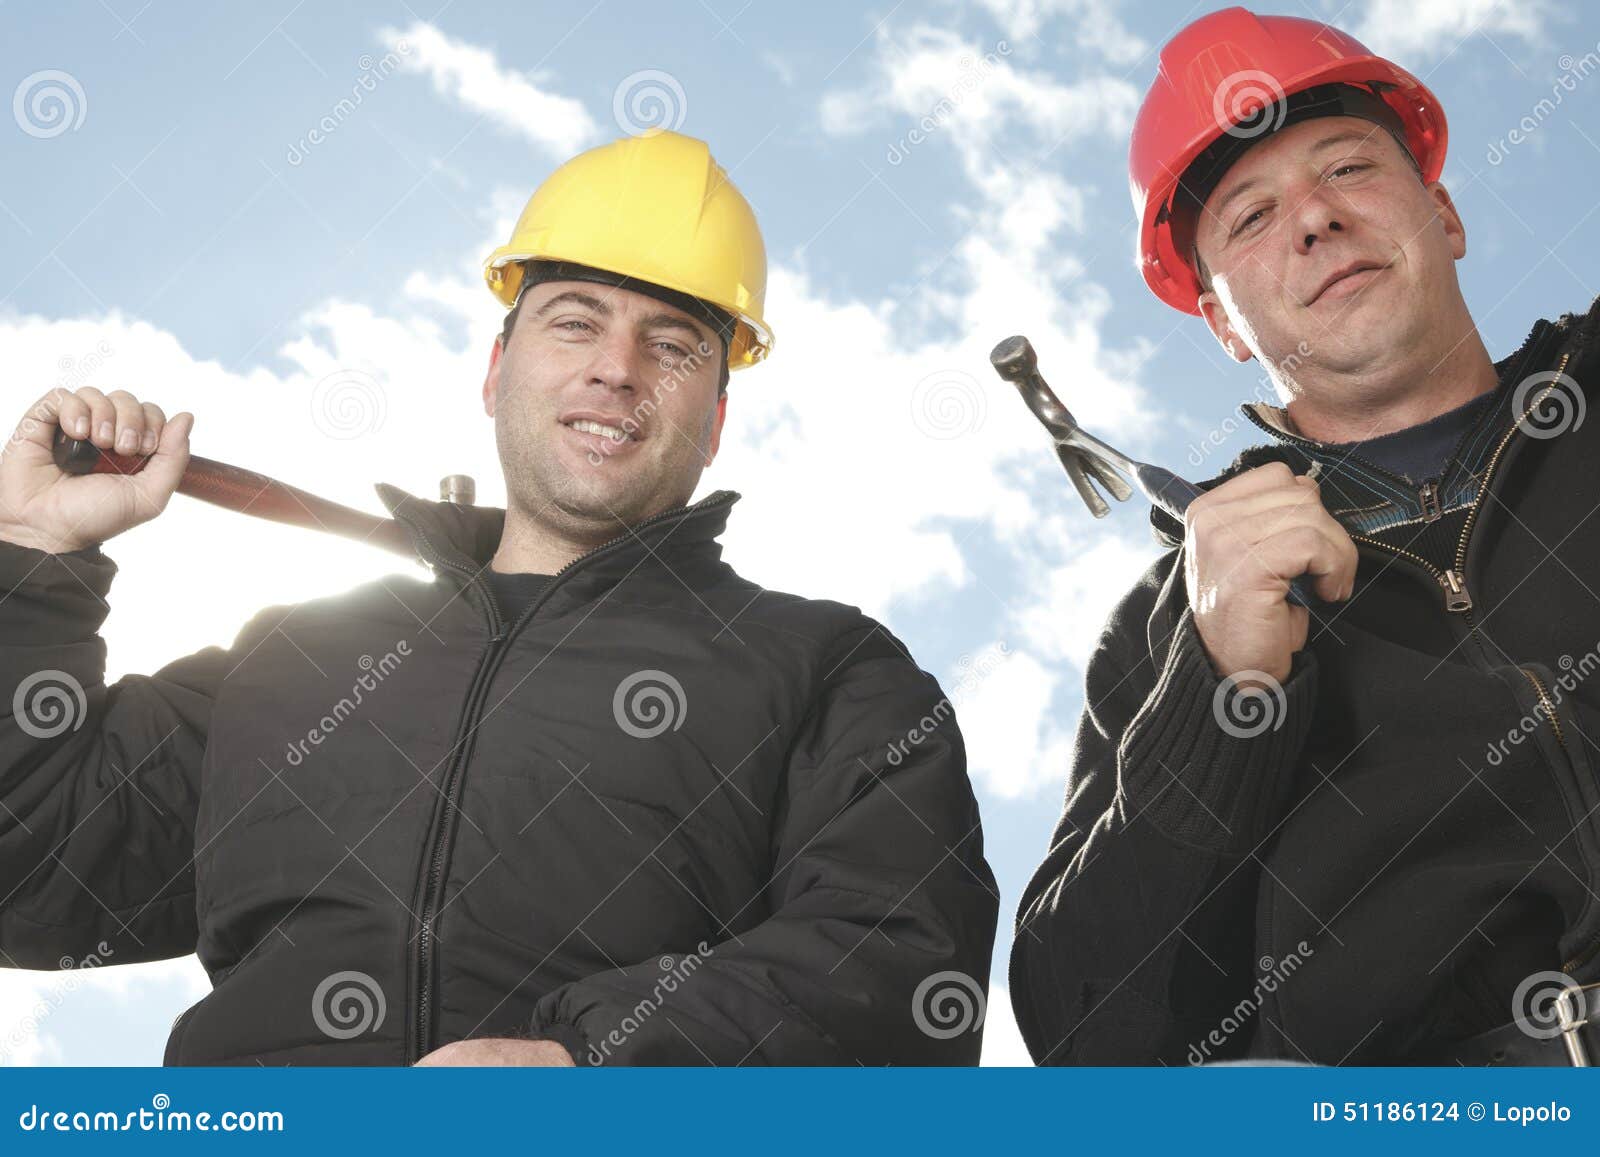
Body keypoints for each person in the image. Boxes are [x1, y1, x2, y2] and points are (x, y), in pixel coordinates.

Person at [0, 129, 998, 1066]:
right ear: (495, 370)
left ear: (717, 420)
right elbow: (24, 874)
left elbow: (904, 963)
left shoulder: (829, 668)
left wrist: (594, 1063)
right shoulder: (290, 658)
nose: (617, 368)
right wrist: (35, 557)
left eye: (675, 344)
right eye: (575, 322)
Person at [1012, 7, 1600, 1066]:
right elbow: (1090, 1037)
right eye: (1249, 217)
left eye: (1347, 169)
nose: (1315, 220)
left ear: (1444, 213)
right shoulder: (1168, 627)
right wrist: (1215, 687)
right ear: (1225, 323)